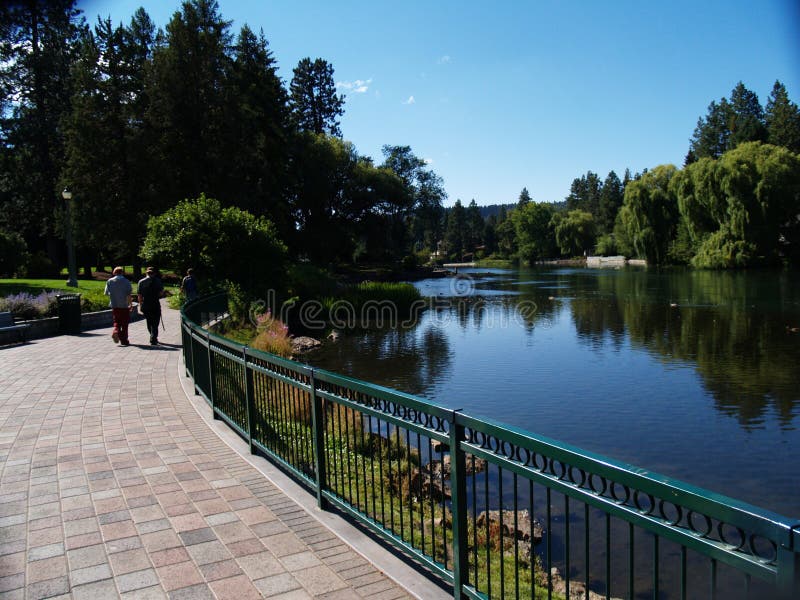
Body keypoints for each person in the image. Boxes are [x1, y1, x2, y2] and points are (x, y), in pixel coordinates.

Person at [104, 266, 133, 346]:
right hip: (124, 305)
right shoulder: (126, 281)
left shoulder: (109, 281)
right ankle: (124, 340)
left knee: (117, 321)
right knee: (125, 323)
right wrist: (130, 304)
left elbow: (106, 293)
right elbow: (128, 294)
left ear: (114, 272)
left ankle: (116, 331)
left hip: (114, 305)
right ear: (122, 272)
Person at [138, 266, 165, 345]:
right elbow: (161, 293)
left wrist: (140, 305)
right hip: (155, 303)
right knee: (155, 322)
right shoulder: (158, 281)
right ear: (154, 273)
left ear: (146, 273)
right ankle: (153, 338)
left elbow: (139, 295)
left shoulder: (141, 282)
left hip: (146, 304)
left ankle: (152, 336)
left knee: (149, 322)